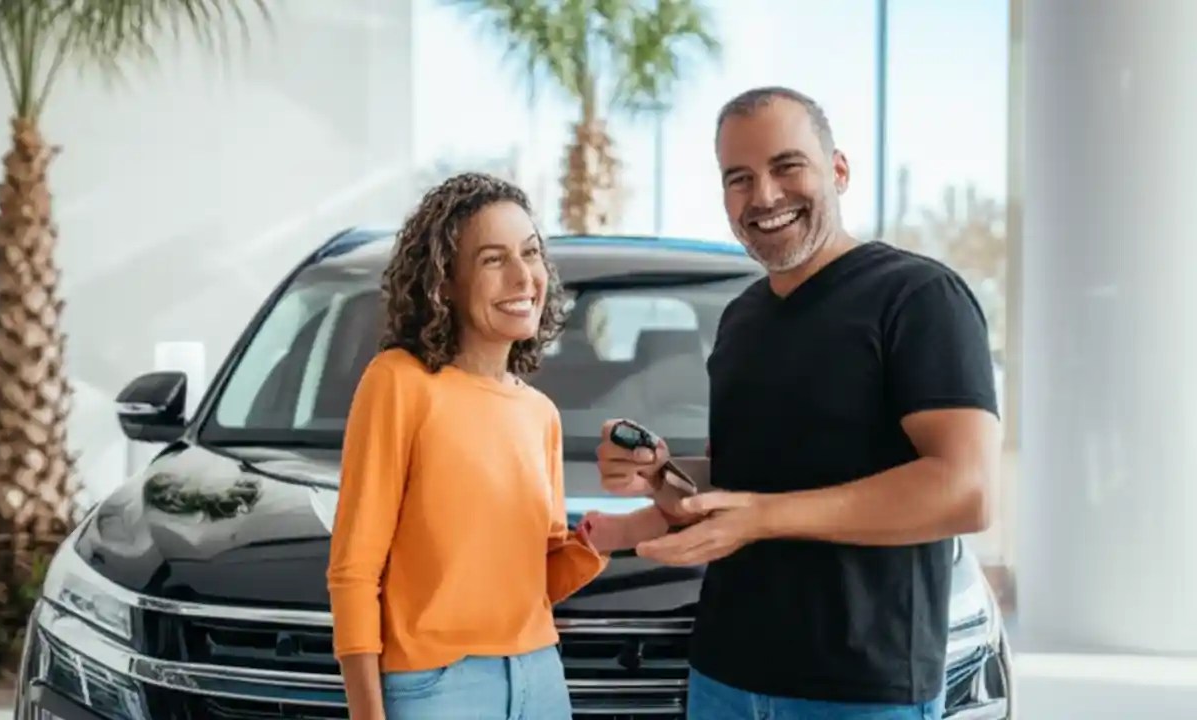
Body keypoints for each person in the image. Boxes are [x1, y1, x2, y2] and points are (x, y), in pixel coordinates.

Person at [594, 86, 1001, 719]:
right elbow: (737, 484)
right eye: (739, 178)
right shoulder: (741, 320)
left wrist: (764, 517)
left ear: (837, 171)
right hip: (724, 677)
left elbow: (968, 490)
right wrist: (662, 477)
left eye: (787, 167)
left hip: (858, 692)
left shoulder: (918, 298)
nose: (764, 196)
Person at [326, 172, 631, 719]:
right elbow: (353, 572)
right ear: (444, 283)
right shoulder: (399, 382)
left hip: (540, 677)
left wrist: (625, 532)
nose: (523, 276)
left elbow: (533, 579)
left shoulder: (540, 415)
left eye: (531, 253)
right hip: (437, 688)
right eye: (493, 260)